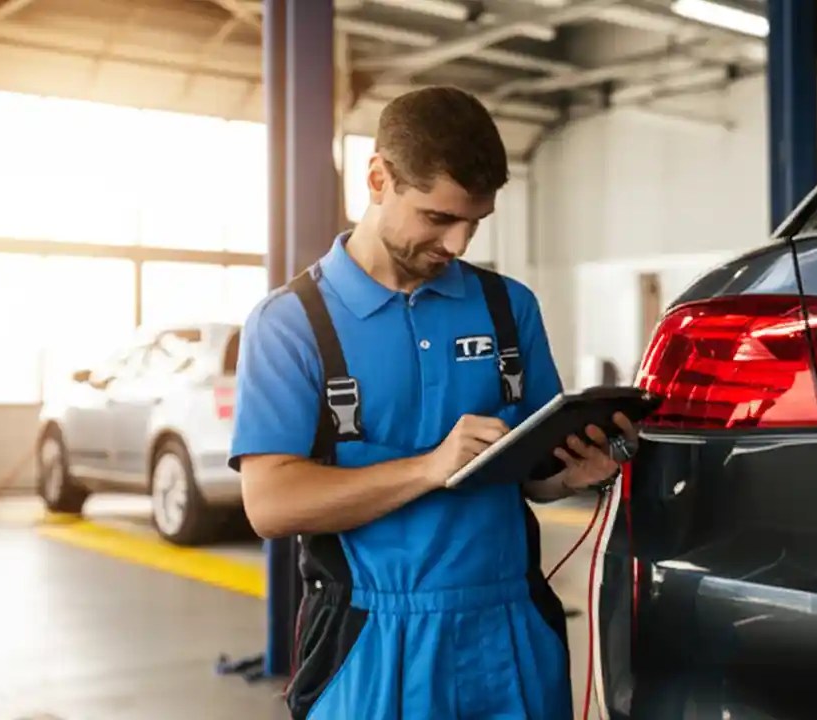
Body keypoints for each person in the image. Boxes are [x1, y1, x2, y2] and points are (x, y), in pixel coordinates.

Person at [227, 86, 639, 720]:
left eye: (475, 221)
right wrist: (427, 467)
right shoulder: (291, 325)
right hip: (370, 641)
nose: (459, 244)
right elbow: (272, 504)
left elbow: (532, 476)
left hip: (511, 631)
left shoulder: (509, 308)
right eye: (437, 217)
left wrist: (571, 475)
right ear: (377, 178)